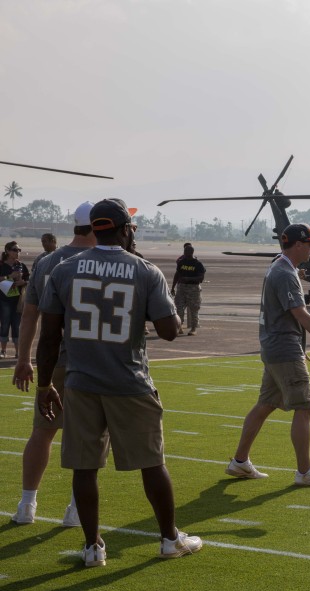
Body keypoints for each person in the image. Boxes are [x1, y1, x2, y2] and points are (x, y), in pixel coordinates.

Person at [35, 198, 202, 566]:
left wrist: (45, 384)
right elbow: (169, 331)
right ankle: (169, 539)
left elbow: (48, 337)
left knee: (84, 466)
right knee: (152, 462)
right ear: (125, 229)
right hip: (129, 380)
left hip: (80, 380)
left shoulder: (64, 270)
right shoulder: (145, 270)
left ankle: (93, 546)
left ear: (95, 228)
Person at [226, 222, 310, 488]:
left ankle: (240, 462)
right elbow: (299, 313)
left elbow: (285, 314)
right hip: (283, 348)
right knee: (304, 407)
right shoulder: (284, 272)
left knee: (265, 405)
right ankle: (304, 472)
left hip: (276, 346)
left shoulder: (280, 267)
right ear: (299, 244)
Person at [10, 201, 96, 525]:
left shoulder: (47, 261)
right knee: (85, 439)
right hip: (89, 364)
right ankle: (76, 510)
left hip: (52, 360)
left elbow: (29, 313)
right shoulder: (100, 261)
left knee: (42, 431)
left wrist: (24, 359)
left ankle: (26, 505)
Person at [0, 242, 29, 357]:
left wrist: (23, 282)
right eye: (14, 250)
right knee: (5, 324)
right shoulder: (2, 265)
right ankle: (3, 351)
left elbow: (29, 279)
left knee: (17, 326)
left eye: (19, 250)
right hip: (4, 300)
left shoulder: (21, 265)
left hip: (18, 301)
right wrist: (9, 277)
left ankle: (18, 352)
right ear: (7, 251)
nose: (17, 252)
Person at [171, 242, 206, 335]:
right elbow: (177, 274)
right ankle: (179, 326)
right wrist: (173, 287)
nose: (185, 253)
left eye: (187, 251)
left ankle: (193, 328)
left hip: (193, 288)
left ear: (191, 252)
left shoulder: (198, 264)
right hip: (181, 287)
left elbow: (201, 278)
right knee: (179, 307)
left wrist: (188, 278)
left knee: (194, 309)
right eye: (184, 251)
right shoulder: (181, 262)